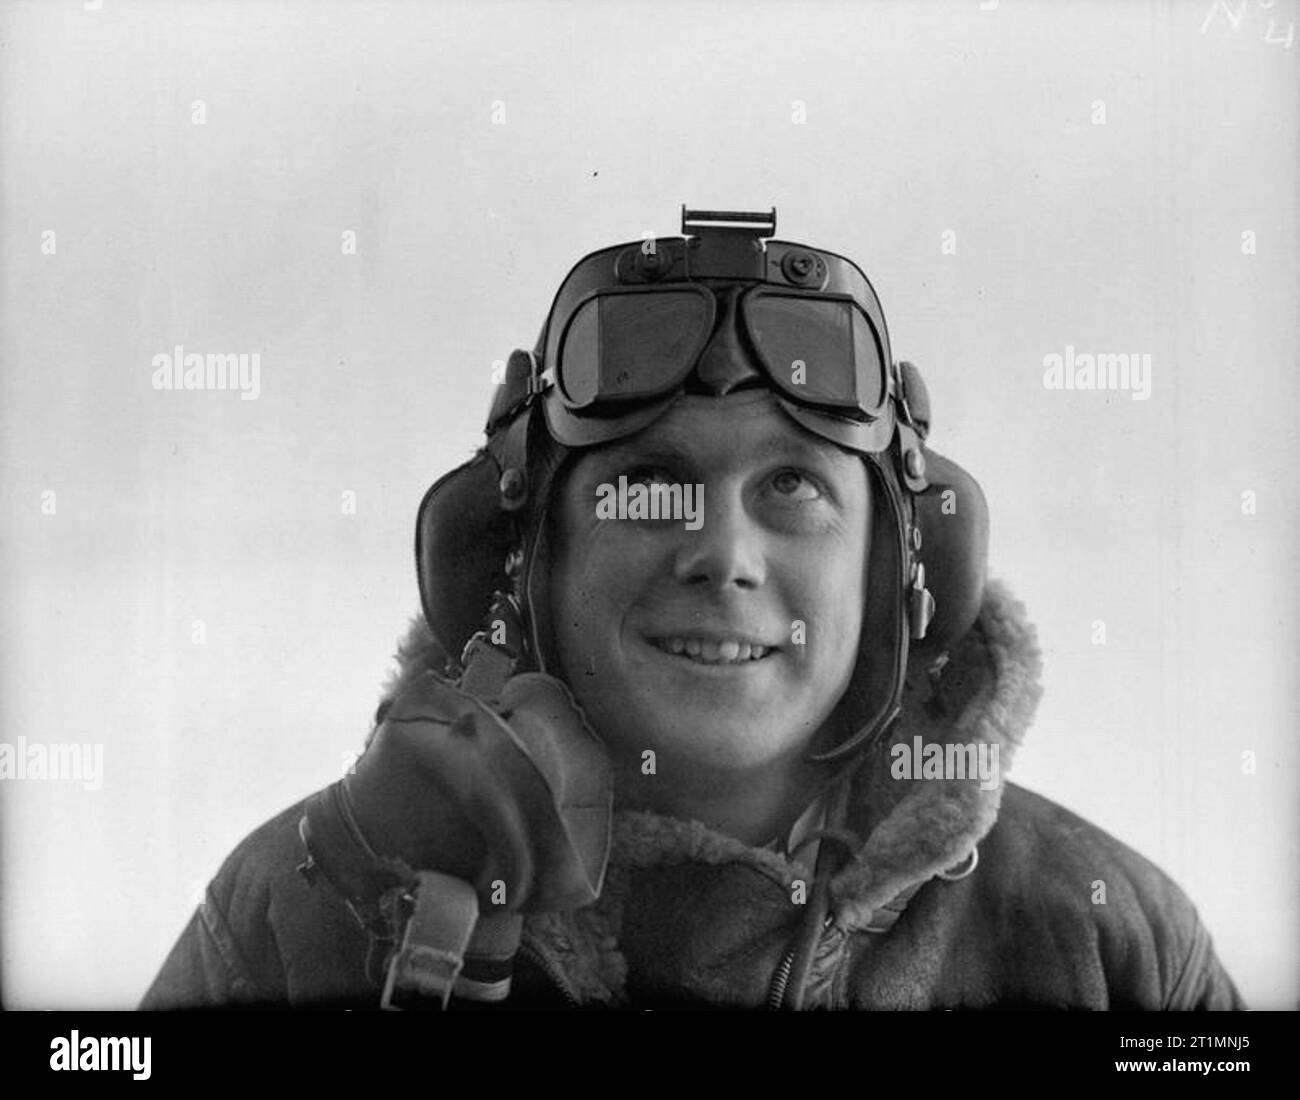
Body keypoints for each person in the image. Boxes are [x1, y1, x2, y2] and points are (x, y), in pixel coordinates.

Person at [141, 207, 1241, 1010]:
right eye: (648, 483)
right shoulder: (301, 906)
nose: (722, 550)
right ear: (525, 560)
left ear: (896, 569)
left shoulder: (1108, 943)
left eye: (791, 485)